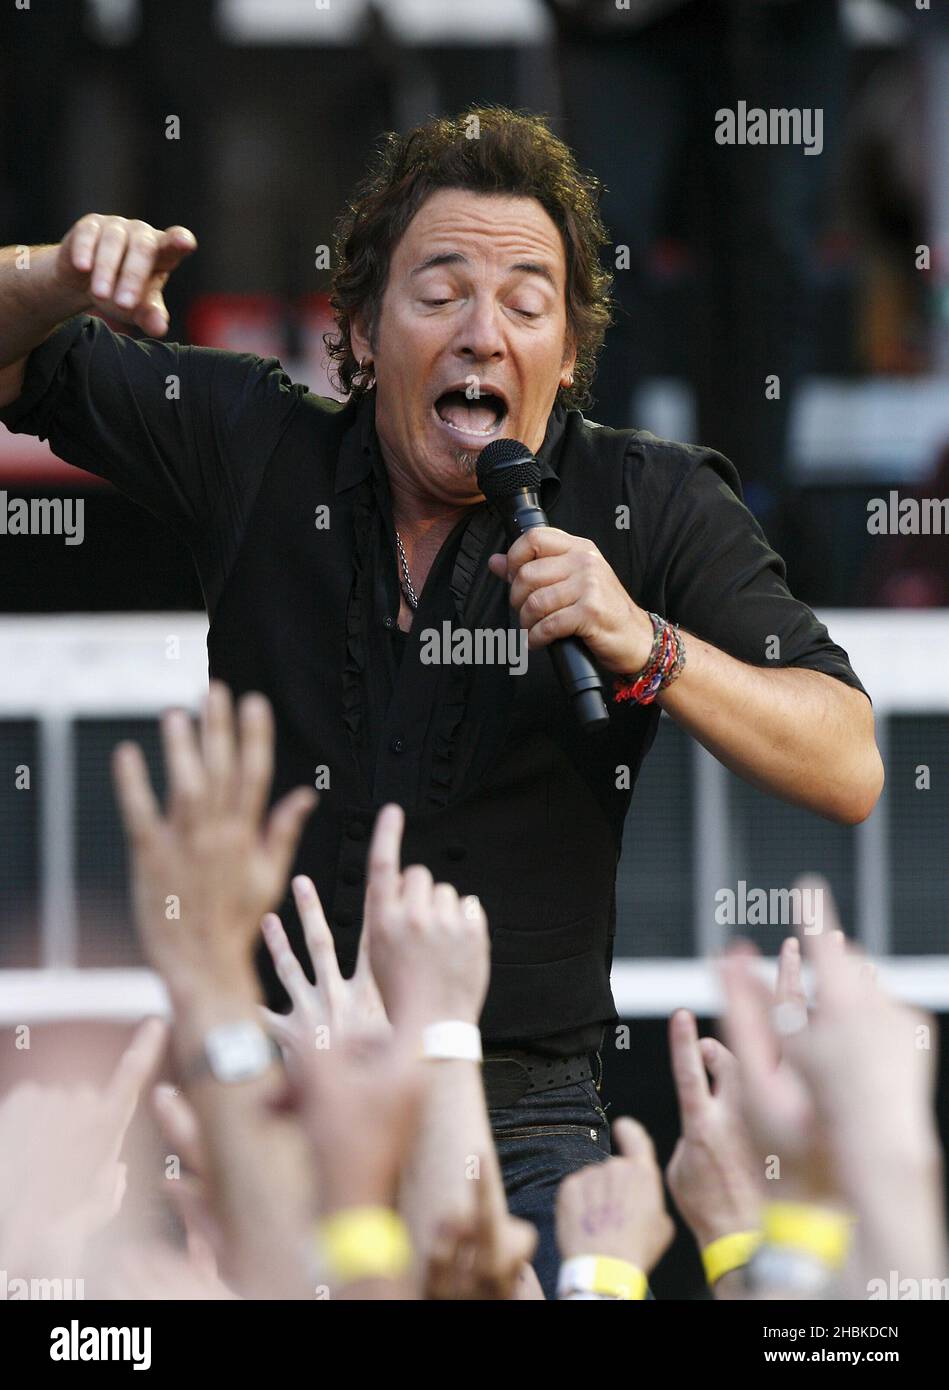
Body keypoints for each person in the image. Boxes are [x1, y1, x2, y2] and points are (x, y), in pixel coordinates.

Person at [0, 107, 883, 1295]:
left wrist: (648, 643)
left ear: (568, 352)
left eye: (527, 301)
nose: (482, 331)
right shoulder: (260, 446)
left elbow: (849, 762)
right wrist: (53, 278)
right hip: (272, 1087)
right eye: (441, 292)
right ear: (359, 330)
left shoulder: (645, 501)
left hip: (521, 1120)